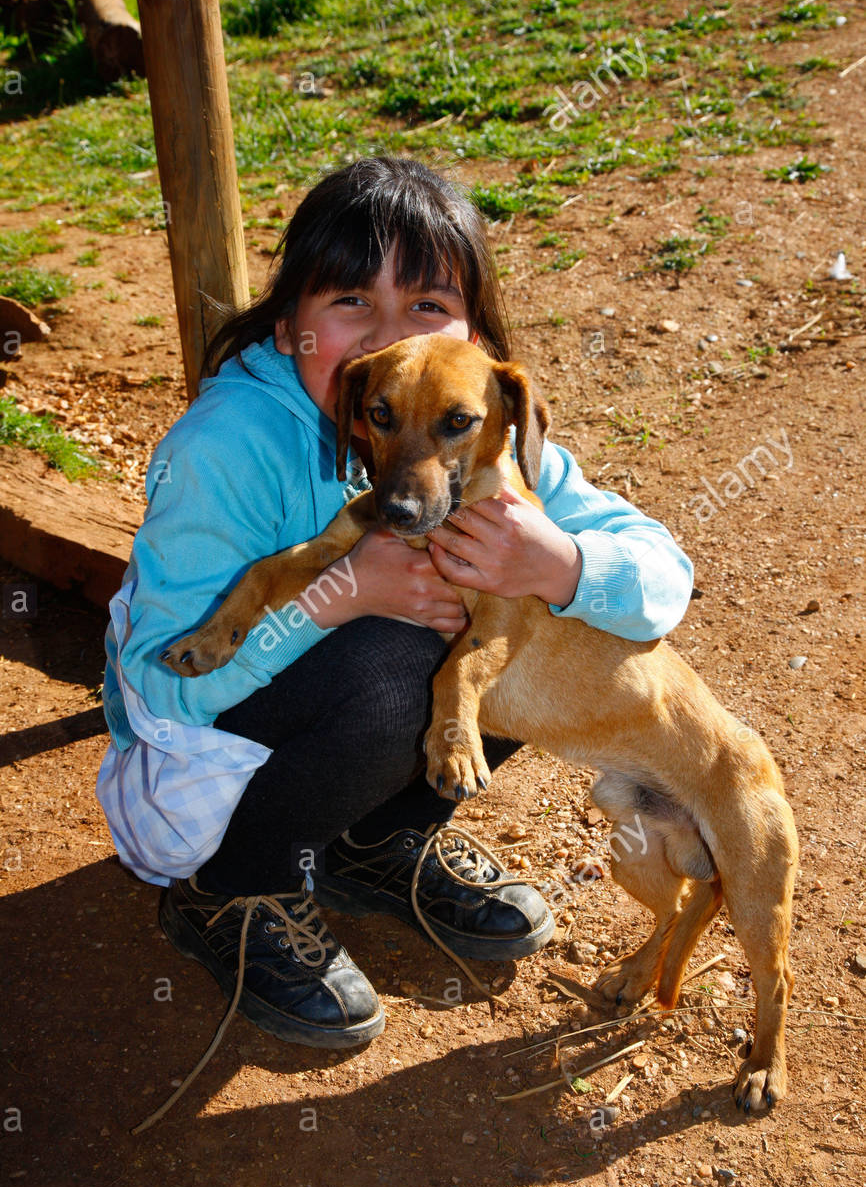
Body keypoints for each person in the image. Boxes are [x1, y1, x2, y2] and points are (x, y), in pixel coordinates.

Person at [96, 155, 694, 1054]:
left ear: (473, 334)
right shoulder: (228, 444)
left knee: (522, 622)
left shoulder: (484, 425)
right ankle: (233, 889)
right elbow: (164, 688)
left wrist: (563, 563)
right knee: (396, 661)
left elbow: (662, 579)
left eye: (426, 306)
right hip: (198, 757)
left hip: (327, 724)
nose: (387, 336)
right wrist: (339, 596)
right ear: (291, 315)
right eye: (349, 303)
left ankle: (375, 843)